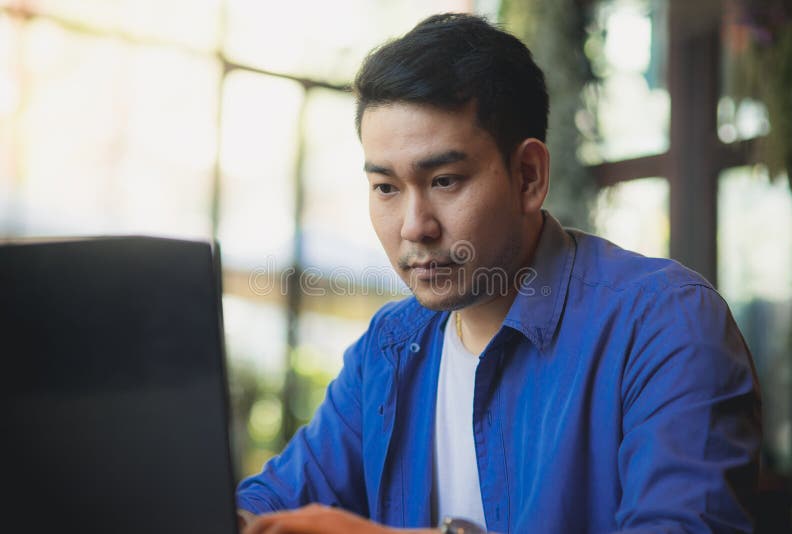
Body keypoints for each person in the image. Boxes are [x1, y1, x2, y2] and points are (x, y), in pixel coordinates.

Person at [237, 13, 761, 534]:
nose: (414, 227)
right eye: (386, 188)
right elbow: (267, 503)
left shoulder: (665, 324)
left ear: (528, 177)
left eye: (444, 180)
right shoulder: (390, 349)